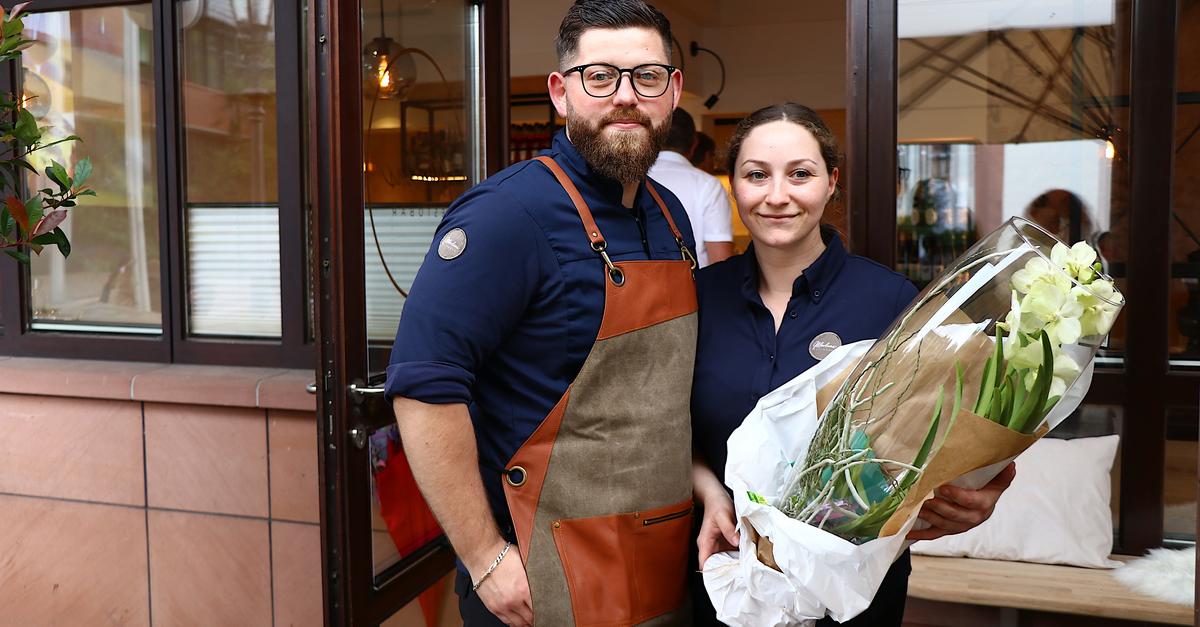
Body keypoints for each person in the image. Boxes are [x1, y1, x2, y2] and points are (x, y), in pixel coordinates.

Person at [386, 2, 698, 626]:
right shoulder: (506, 215)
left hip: (659, 559)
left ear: (673, 91)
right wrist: (482, 557)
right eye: (600, 77)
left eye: (647, 77)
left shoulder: (671, 215)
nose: (626, 97)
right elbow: (423, 388)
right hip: (541, 574)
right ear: (561, 91)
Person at [689, 103, 1017, 625]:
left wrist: (981, 492)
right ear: (734, 182)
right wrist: (707, 489)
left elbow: (946, 436)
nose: (777, 195)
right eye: (757, 175)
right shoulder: (696, 300)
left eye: (800, 173)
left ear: (831, 181)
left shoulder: (891, 301)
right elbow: (660, 428)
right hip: (721, 573)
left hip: (852, 596)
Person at [649, 108, 734, 266]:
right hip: (693, 288)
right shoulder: (708, 185)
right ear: (694, 144)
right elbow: (721, 262)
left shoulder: (630, 180)